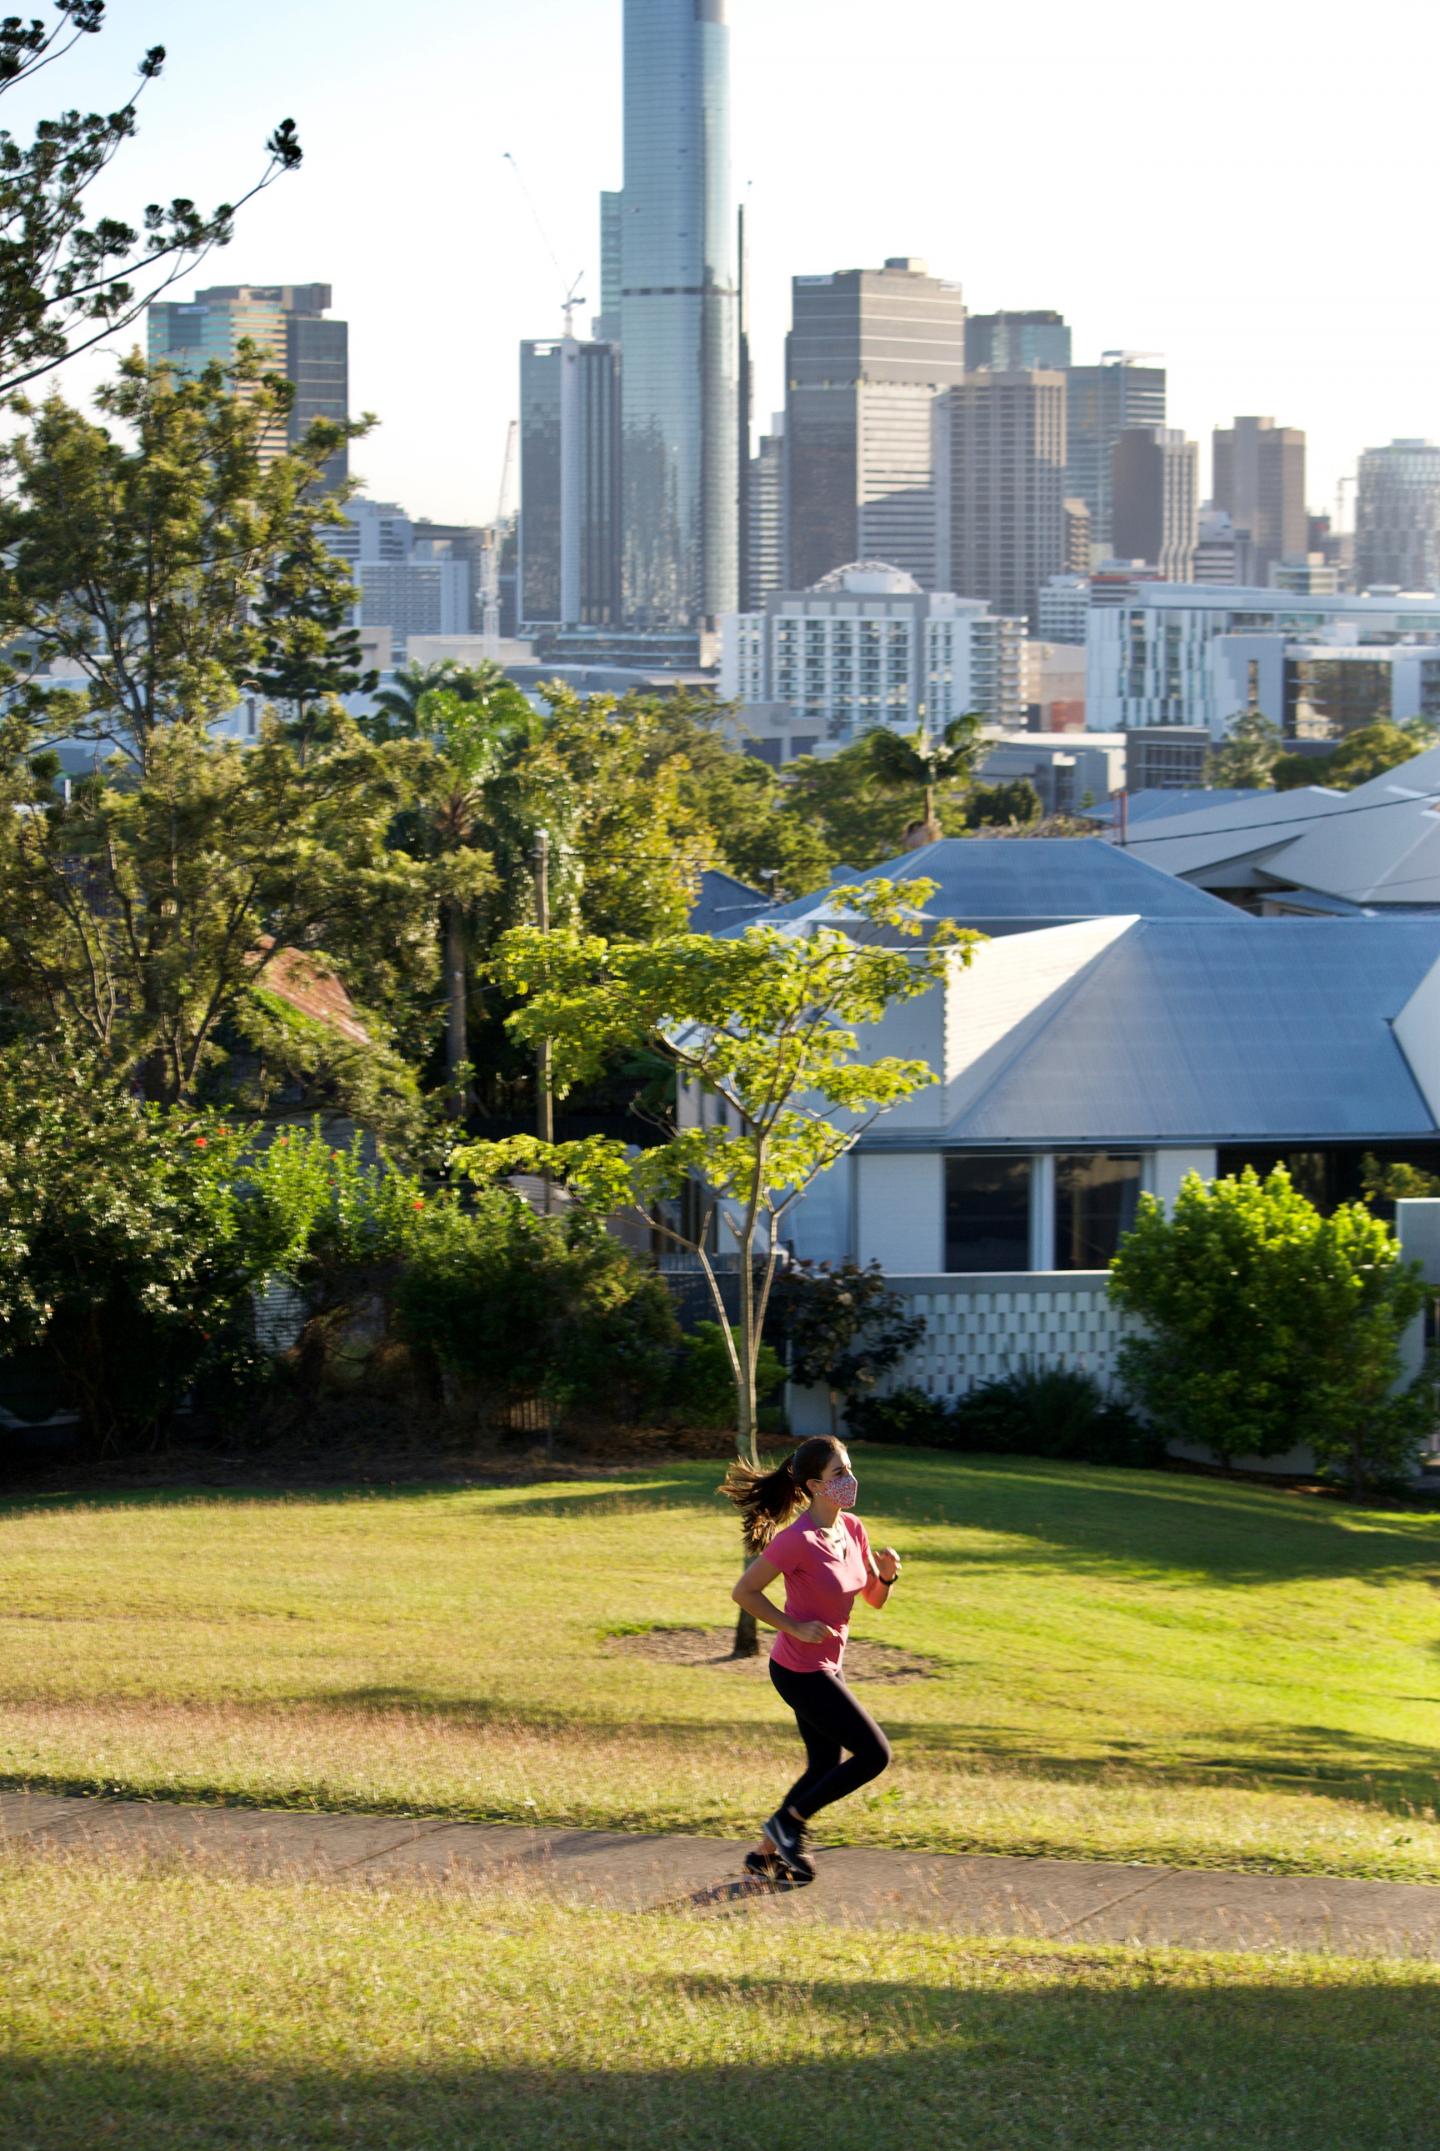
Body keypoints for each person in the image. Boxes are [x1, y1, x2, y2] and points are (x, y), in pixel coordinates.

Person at [724, 1434, 901, 1884]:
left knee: (824, 1764)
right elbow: (744, 1592)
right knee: (874, 1755)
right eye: (838, 1473)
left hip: (828, 1665)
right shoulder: (796, 1540)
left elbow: (872, 1599)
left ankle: (764, 1856)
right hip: (799, 1669)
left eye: (848, 1468)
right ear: (815, 1486)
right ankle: (788, 1826)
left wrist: (886, 1576)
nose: (850, 1479)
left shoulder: (852, 1528)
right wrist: (792, 1625)